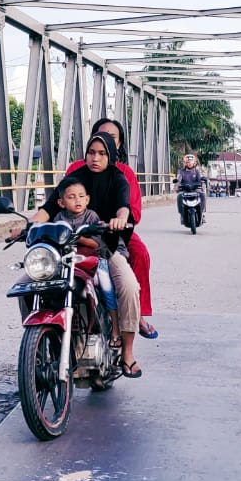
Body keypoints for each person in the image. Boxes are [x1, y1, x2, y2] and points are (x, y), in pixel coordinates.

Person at [13, 132, 144, 377]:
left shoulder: (118, 179)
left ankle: (127, 353)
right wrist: (27, 226)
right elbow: (48, 208)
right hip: (65, 249)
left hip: (105, 247)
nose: (95, 158)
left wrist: (120, 220)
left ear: (111, 156)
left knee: (128, 286)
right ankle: (37, 345)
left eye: (102, 153)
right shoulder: (75, 178)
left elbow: (123, 207)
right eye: (91, 152)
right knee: (27, 284)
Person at [67, 117, 158, 340]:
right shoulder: (76, 169)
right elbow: (60, 200)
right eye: (99, 136)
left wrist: (117, 220)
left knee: (139, 253)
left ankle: (138, 314)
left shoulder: (123, 174)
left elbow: (133, 211)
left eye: (111, 137)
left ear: (118, 145)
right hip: (78, 230)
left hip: (114, 232)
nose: (104, 141)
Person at [49, 175, 140, 333]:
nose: (77, 200)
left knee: (106, 287)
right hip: (68, 260)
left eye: (81, 196)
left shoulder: (91, 216)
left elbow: (96, 244)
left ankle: (115, 327)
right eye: (71, 197)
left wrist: (76, 238)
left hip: (94, 259)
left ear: (87, 199)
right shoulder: (59, 218)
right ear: (61, 203)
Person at [176, 153, 207, 220]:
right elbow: (178, 180)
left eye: (191, 162)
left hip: (196, 189)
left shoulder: (197, 171)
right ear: (185, 163)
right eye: (187, 162)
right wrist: (176, 186)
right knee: (179, 196)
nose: (189, 163)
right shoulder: (181, 171)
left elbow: (201, 179)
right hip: (184, 189)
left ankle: (202, 213)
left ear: (194, 163)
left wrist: (203, 184)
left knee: (202, 195)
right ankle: (182, 214)